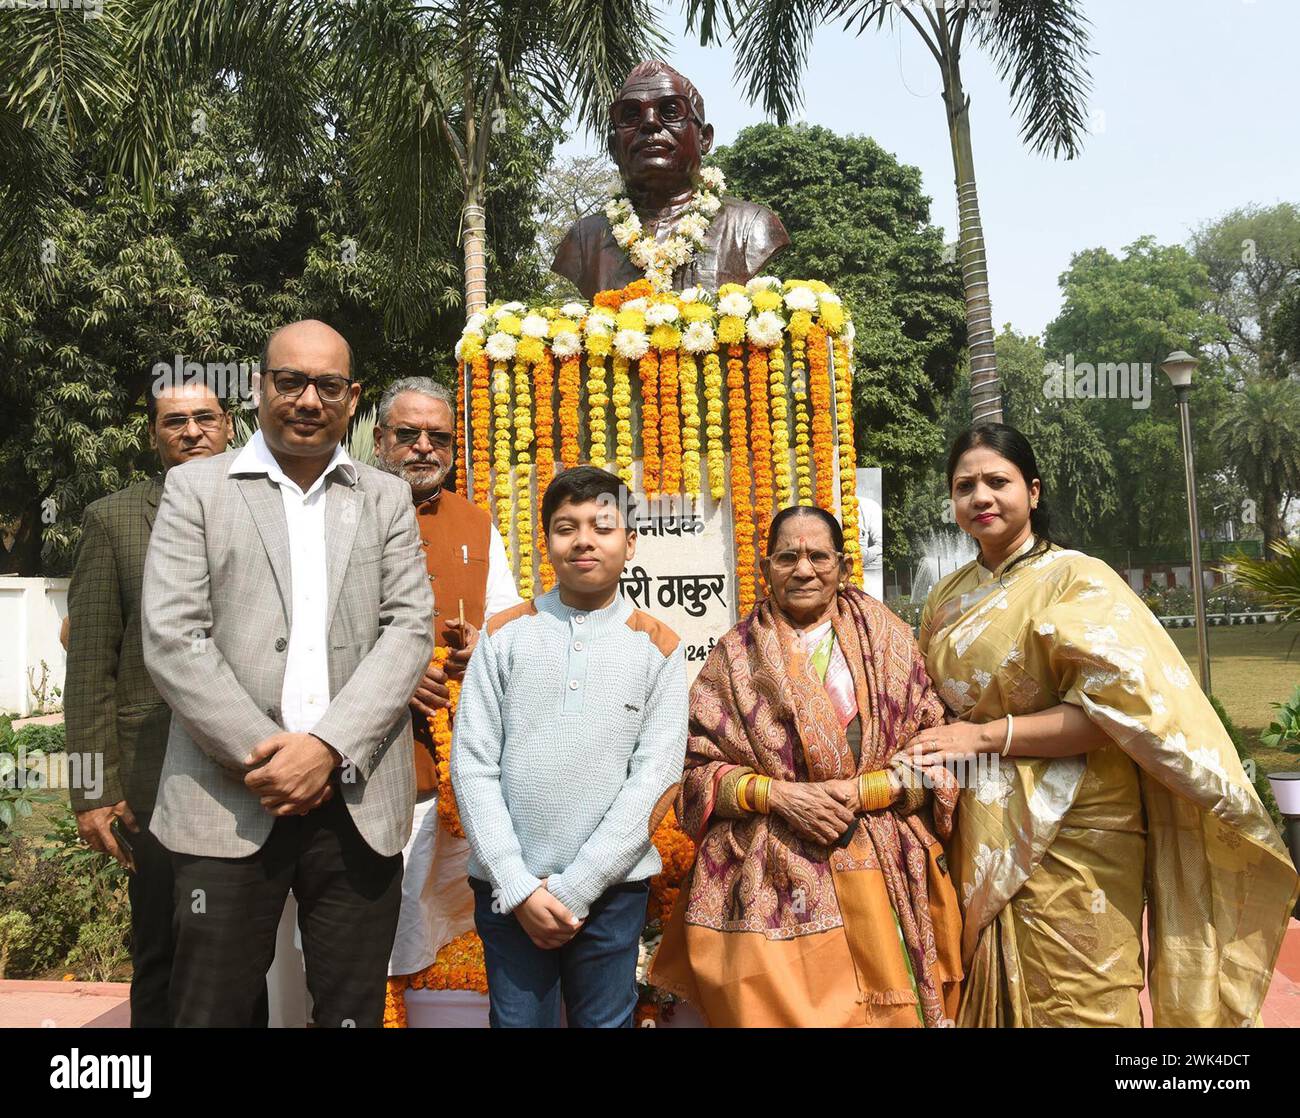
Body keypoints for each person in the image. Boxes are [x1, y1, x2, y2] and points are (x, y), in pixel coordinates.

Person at [914, 422, 1299, 1027]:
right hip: (975, 822)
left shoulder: (1079, 579)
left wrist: (983, 737)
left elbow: (1115, 713)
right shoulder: (947, 596)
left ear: (1033, 492)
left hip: (1080, 824)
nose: (981, 497)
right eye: (965, 486)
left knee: (1084, 997)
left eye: (997, 481)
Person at [141, 319, 434, 1028]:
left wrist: (326, 748)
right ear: (259, 387)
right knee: (209, 1009)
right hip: (231, 794)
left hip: (356, 800)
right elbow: (173, 636)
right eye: (290, 381)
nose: (308, 399)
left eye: (328, 385)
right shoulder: (197, 490)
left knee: (350, 1010)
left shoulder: (384, 496)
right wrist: (269, 755)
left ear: (353, 398)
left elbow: (408, 629)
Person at [649, 505, 963, 1027]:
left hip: (880, 860)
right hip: (771, 867)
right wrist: (780, 797)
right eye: (787, 556)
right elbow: (693, 775)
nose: (803, 569)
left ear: (841, 565)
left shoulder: (888, 640)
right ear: (765, 566)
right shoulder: (734, 656)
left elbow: (934, 752)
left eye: (818, 556)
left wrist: (864, 793)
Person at [451, 466, 687, 1027]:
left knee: (605, 1024)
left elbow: (656, 778)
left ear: (629, 542)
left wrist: (580, 886)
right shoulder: (504, 635)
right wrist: (516, 884)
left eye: (601, 526)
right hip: (511, 892)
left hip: (611, 892)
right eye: (566, 527)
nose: (583, 540)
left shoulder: (658, 646)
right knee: (517, 1023)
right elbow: (473, 765)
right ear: (546, 542)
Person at [66, 375, 233, 1027]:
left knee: (237, 955)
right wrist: (89, 791)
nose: (191, 431)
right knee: (163, 952)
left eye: (205, 417)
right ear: (153, 435)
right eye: (174, 421)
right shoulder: (114, 520)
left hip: (255, 774)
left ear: (228, 426)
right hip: (153, 778)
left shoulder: (268, 516)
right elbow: (86, 669)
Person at [371, 376, 522, 995]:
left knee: (443, 919)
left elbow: (506, 628)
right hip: (367, 762)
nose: (424, 448)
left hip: (456, 762)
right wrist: (392, 679)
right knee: (367, 924)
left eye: (438, 436)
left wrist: (473, 651)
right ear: (379, 440)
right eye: (408, 435)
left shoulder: (476, 522)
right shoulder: (344, 512)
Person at [551, 60, 788, 299]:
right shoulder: (585, 239)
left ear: (705, 138)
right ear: (614, 147)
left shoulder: (751, 227)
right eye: (631, 115)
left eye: (670, 111)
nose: (650, 122)